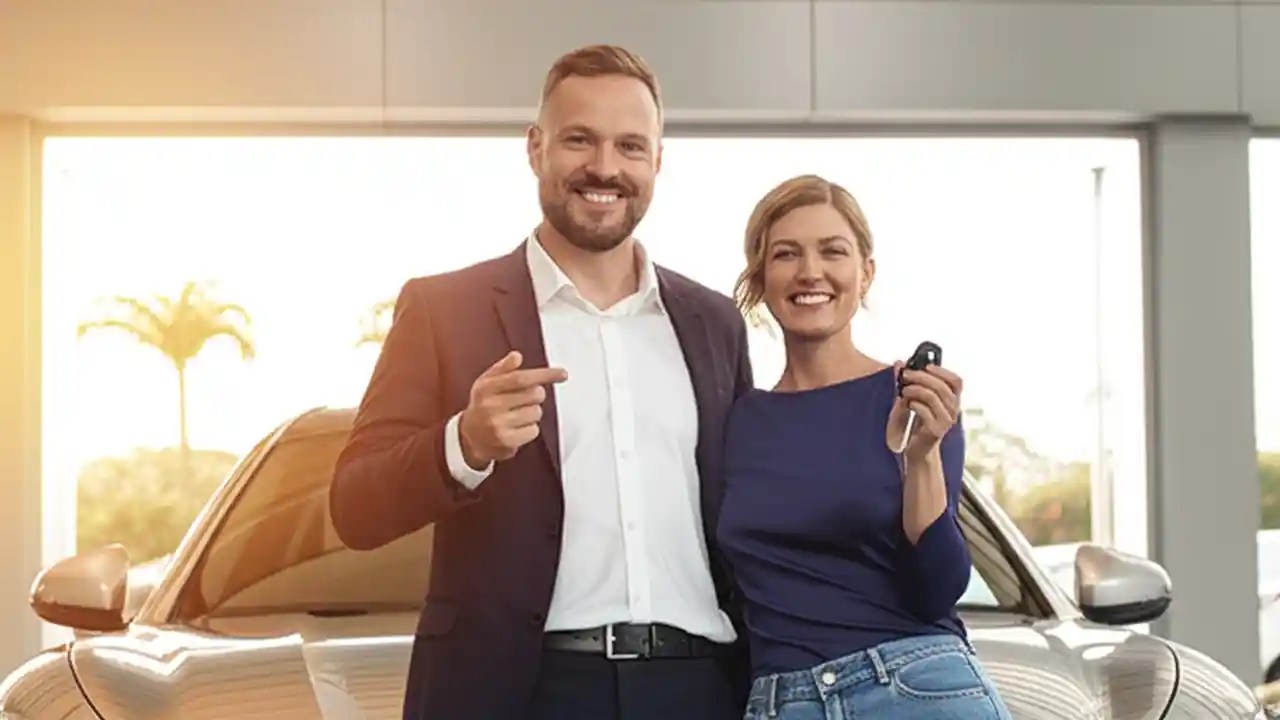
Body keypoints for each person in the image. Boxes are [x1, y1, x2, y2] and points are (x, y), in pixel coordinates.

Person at [328, 44, 753, 720]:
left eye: (630, 146)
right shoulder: (445, 311)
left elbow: (747, 518)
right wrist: (462, 445)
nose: (605, 168)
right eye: (579, 140)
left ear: (658, 162)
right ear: (535, 148)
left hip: (697, 689)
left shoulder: (714, 324)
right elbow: (354, 508)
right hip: (520, 692)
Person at [716, 174, 1012, 719]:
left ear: (864, 273)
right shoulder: (738, 423)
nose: (810, 272)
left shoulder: (911, 399)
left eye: (833, 252)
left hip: (913, 690)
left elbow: (938, 590)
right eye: (786, 254)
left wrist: (922, 457)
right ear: (759, 277)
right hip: (784, 703)